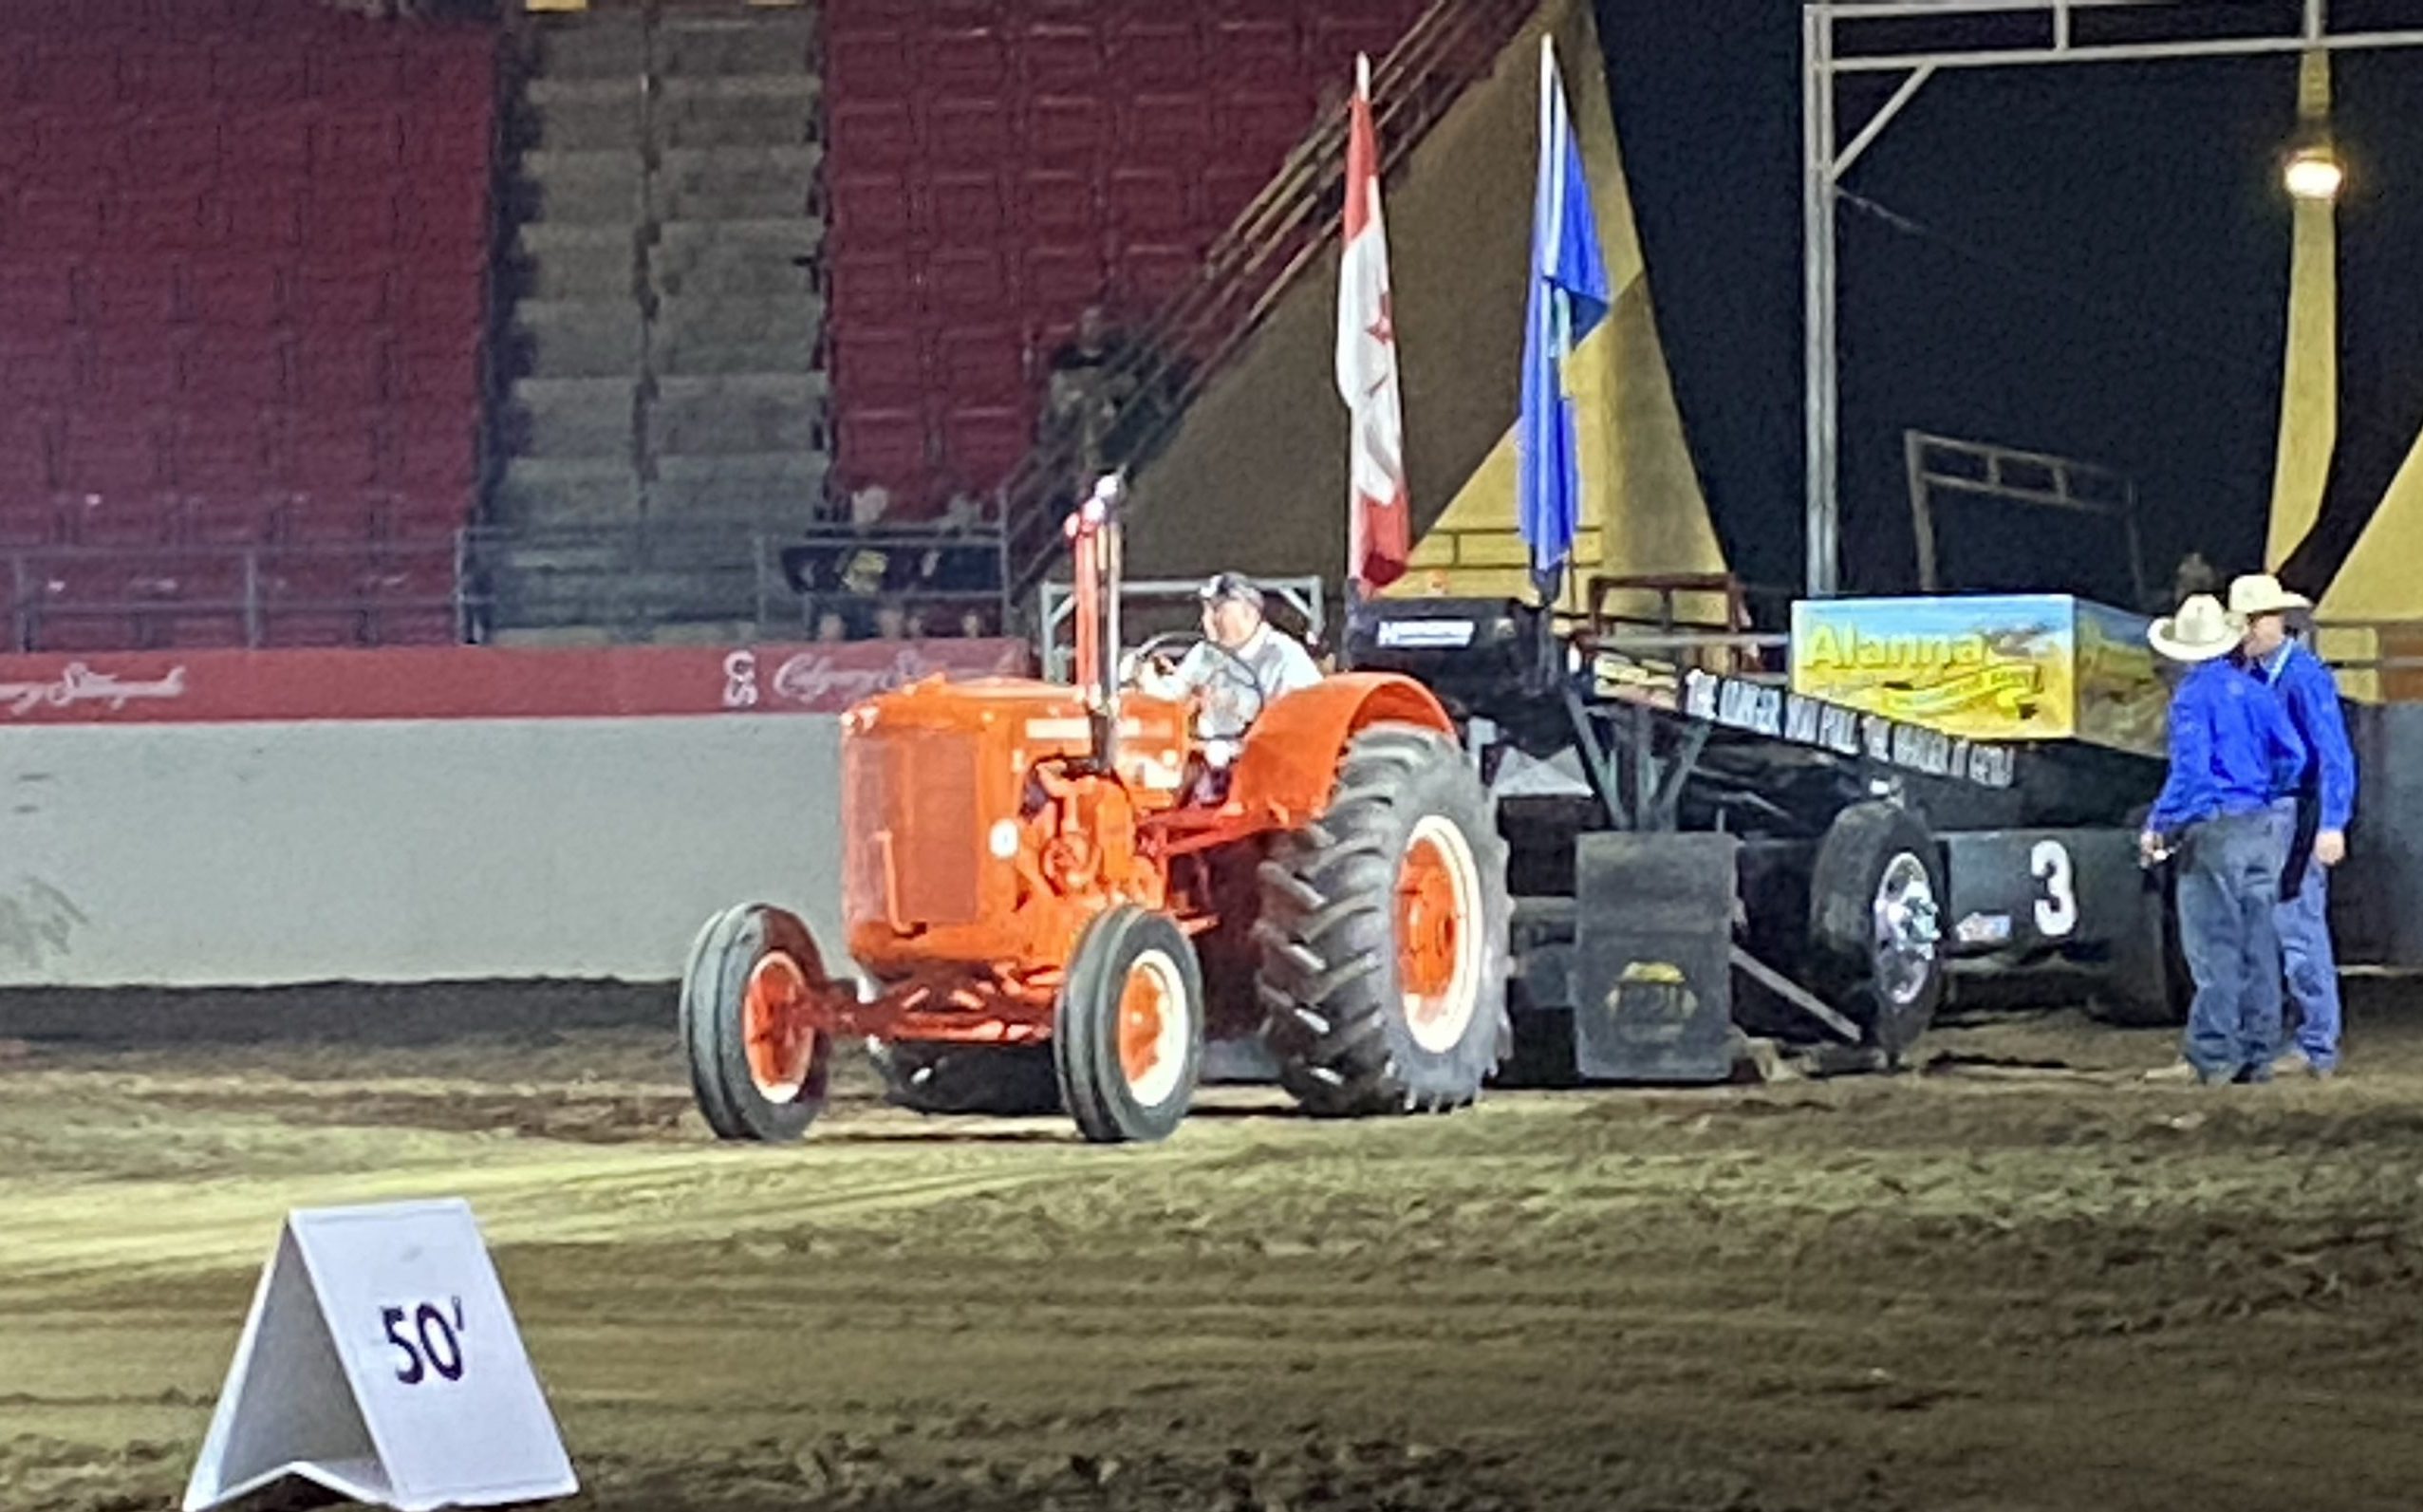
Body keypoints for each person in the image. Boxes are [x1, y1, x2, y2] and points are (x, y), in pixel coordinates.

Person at [2140, 594, 2308, 1086]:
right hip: (2260, 825)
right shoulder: (2255, 690)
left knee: (2214, 946)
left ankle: (2212, 1054)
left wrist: (2159, 823)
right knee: (2259, 941)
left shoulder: (2192, 697)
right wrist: (2262, 791)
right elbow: (2294, 757)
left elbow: (2191, 774)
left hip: (2215, 828)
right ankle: (2259, 1051)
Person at [2231, 572, 2357, 1078]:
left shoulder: (2303, 676)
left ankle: (2317, 1044)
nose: (2246, 632)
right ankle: (2301, 1038)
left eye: (2251, 621)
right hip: (2272, 812)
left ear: (2273, 621)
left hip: (2298, 812)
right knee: (2276, 927)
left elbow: (2334, 754)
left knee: (2297, 925)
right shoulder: (2262, 674)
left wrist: (2332, 822)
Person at [1131, 572, 1322, 758]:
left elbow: (1302, 722)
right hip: (1205, 762)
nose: (1206, 620)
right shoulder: (1206, 653)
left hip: (1263, 763)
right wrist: (1148, 682)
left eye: (1217, 610)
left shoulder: (1284, 656)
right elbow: (1174, 693)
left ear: (1249, 612)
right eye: (1204, 610)